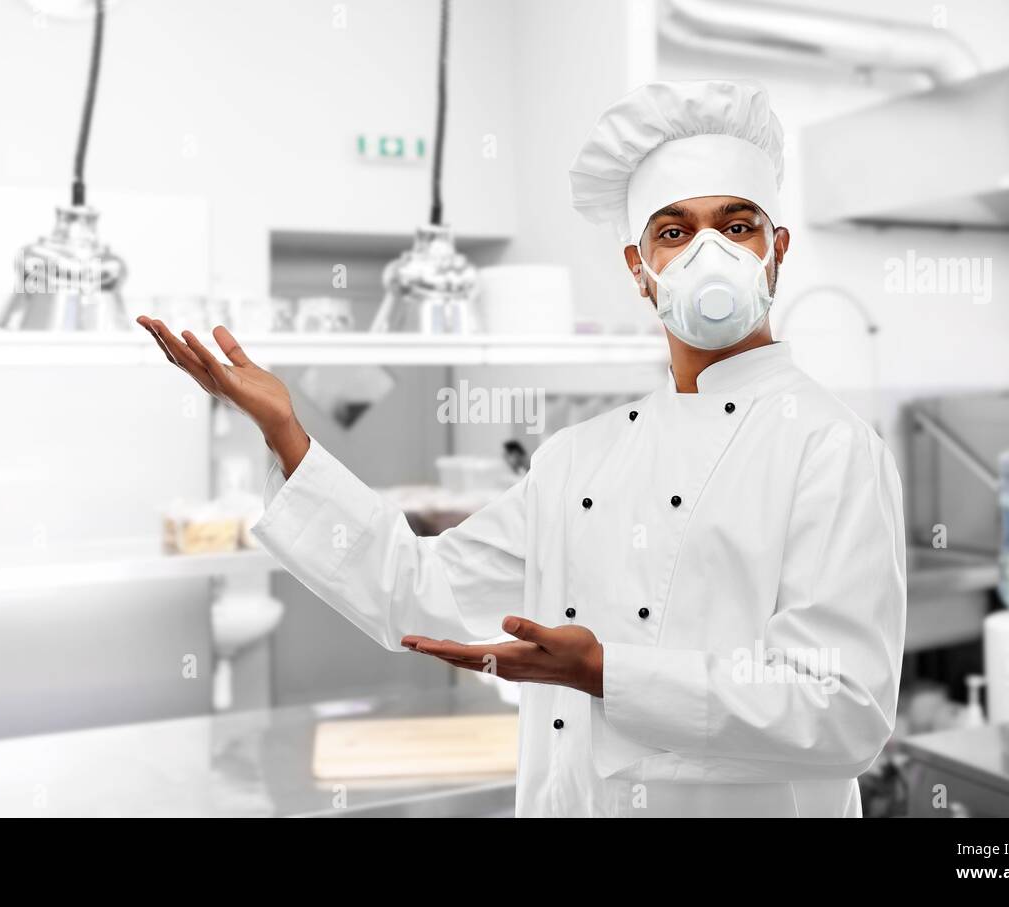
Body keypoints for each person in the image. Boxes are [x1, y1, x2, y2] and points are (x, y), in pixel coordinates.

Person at [138, 79, 907, 818]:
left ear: (777, 249)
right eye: (674, 232)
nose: (711, 253)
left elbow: (842, 710)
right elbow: (418, 587)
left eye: (736, 226)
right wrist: (287, 433)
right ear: (640, 271)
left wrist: (607, 671)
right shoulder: (580, 457)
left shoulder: (831, 447)